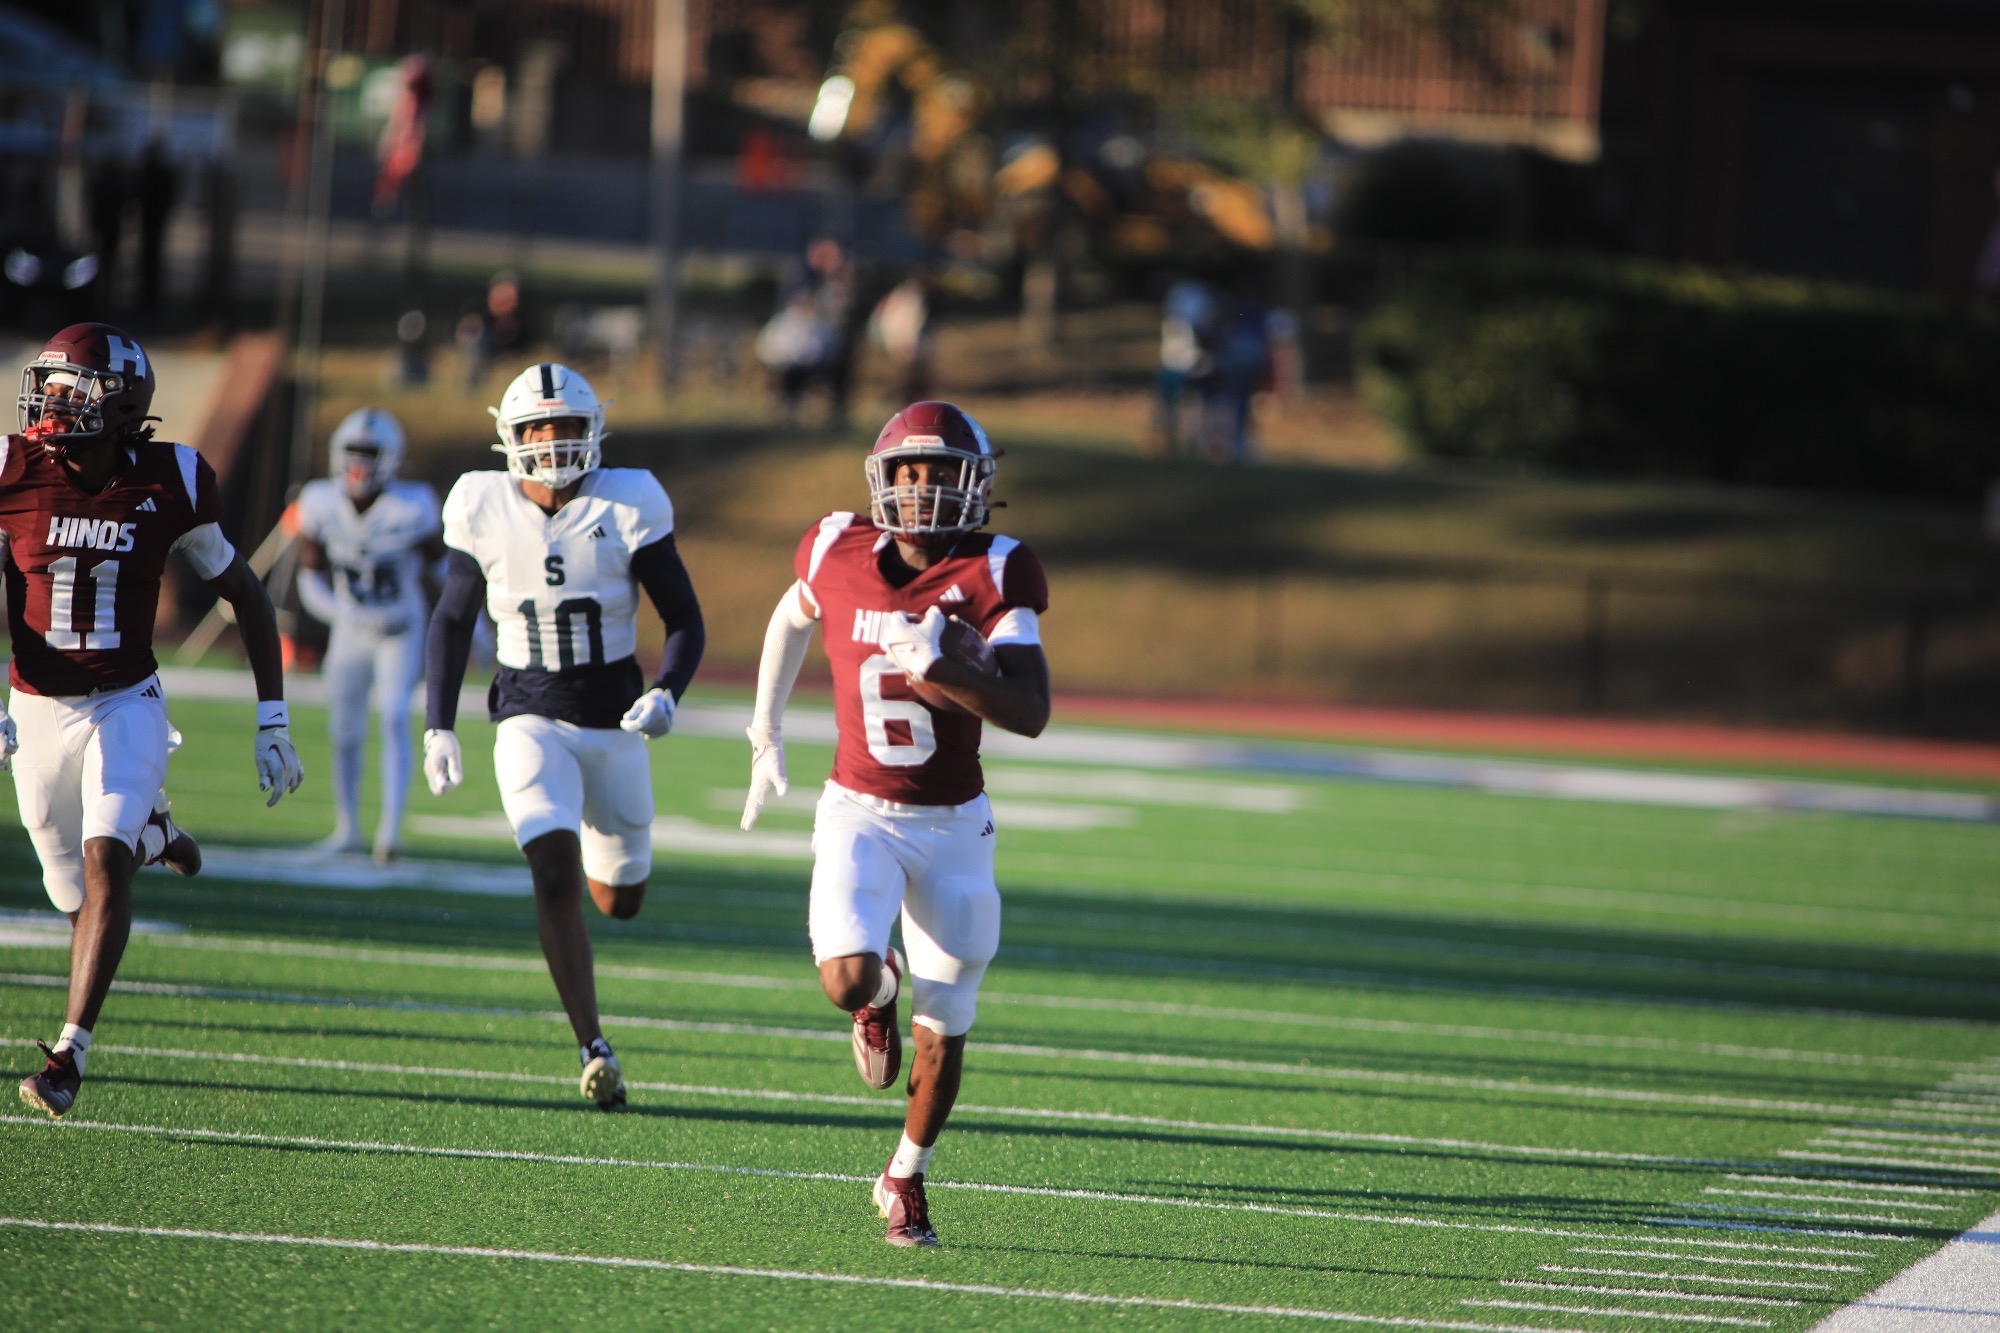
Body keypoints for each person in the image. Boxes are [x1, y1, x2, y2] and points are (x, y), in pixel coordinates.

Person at [739, 401, 1051, 1247]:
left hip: (954, 825)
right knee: (846, 976)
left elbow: (1030, 708)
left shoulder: (996, 569)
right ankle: (875, 997)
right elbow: (790, 614)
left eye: (939, 471)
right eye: (907, 471)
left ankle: (904, 1176)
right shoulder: (833, 547)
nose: (920, 488)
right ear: (882, 478)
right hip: (860, 809)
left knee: (946, 1024)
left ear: (975, 485)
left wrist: (946, 665)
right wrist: (765, 725)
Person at [5, 322, 303, 1118]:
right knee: (71, 891)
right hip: (35, 707)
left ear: (121, 404)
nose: (53, 401)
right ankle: (153, 834)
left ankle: (69, 1055)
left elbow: (245, 593)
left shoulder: (172, 478)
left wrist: (272, 717)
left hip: (125, 702)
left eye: (73, 389)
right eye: (52, 385)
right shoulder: (14, 467)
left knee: (102, 865)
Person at [423, 363, 704, 1109]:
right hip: (527, 712)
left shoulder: (630, 498)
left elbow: (684, 618)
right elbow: (453, 617)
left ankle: (590, 861)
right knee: (552, 867)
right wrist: (439, 725)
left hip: (613, 721)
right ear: (508, 437)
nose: (552, 442)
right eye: (537, 428)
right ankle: (593, 1044)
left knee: (621, 899)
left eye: (568, 426)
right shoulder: (480, 502)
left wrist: (666, 692)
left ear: (596, 430)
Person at [292, 407, 444, 862]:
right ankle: (348, 828)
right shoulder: (319, 501)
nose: (360, 461)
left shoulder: (412, 505)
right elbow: (309, 578)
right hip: (351, 629)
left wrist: (472, 627)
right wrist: (345, 614)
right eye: (353, 451)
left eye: (370, 453)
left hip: (400, 625)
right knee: (344, 728)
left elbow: (443, 571)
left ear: (391, 457)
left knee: (396, 717)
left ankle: (389, 832)